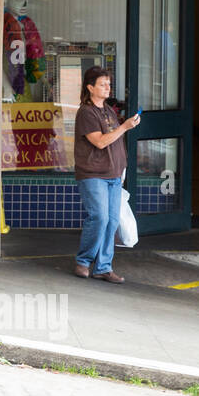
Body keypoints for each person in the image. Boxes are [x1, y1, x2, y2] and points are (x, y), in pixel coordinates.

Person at [73, 66, 140, 282]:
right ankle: (83, 261)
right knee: (99, 218)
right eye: (102, 84)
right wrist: (125, 127)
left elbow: (116, 144)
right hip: (93, 174)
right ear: (90, 87)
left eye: (109, 84)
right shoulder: (86, 112)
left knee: (112, 221)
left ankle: (103, 267)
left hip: (113, 175)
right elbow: (100, 142)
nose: (107, 87)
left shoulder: (108, 111)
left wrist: (121, 169)